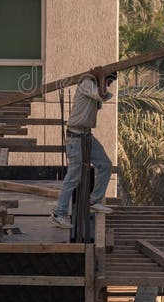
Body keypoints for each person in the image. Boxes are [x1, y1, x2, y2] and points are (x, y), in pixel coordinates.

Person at [50, 67, 116, 229]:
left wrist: (102, 79)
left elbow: (104, 96)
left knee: (105, 165)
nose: (108, 85)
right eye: (108, 81)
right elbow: (101, 94)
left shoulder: (95, 86)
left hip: (86, 135)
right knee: (74, 175)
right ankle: (59, 213)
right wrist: (100, 76)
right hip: (75, 137)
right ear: (100, 78)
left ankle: (94, 201)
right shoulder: (86, 83)